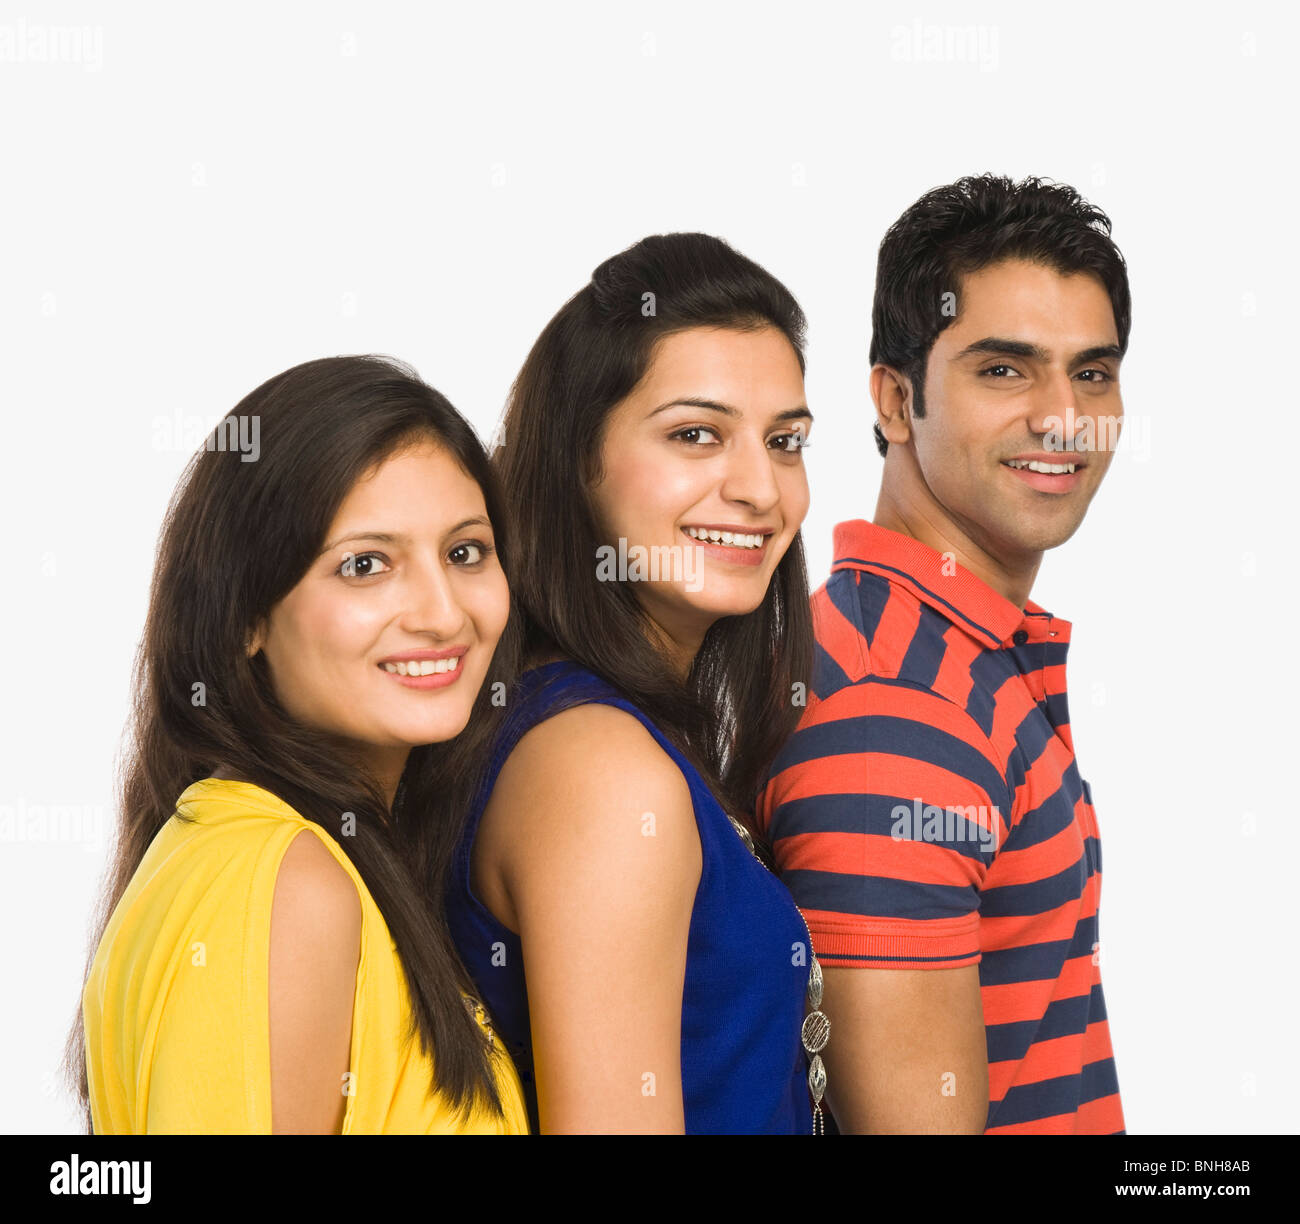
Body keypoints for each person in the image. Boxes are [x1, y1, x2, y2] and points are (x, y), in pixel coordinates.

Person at [68, 355, 529, 1133]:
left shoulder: (287, 854)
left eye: (464, 552)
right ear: (246, 616)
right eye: (366, 565)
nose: (443, 613)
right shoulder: (286, 880)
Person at [759, 175, 1129, 1134]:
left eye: (1092, 371)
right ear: (894, 398)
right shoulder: (896, 709)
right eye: (1004, 370)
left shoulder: (951, 655)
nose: (1065, 417)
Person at [445, 233, 823, 1134]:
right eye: (696, 434)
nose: (760, 489)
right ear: (578, 459)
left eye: (786, 441)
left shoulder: (611, 730)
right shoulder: (603, 772)